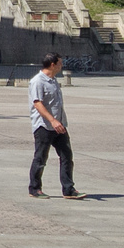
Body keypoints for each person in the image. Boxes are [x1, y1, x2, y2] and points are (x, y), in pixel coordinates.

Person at [28, 53, 83, 199]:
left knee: (67, 156)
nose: (62, 65)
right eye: (60, 63)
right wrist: (52, 120)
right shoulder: (38, 81)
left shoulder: (53, 80)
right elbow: (37, 103)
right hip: (44, 125)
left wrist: (59, 121)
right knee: (40, 158)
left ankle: (68, 189)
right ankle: (35, 188)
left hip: (59, 125)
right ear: (53, 64)